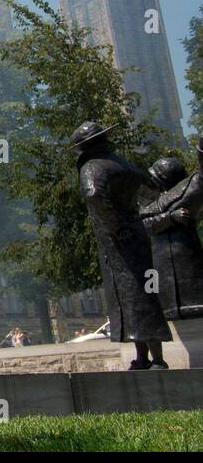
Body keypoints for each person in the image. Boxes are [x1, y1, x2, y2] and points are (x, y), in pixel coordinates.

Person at [72, 121, 171, 369]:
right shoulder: (122, 163)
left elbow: (93, 195)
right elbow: (152, 189)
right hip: (137, 233)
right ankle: (150, 357)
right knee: (146, 292)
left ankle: (148, 358)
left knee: (130, 295)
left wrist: (117, 226)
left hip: (117, 240)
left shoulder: (92, 167)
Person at [140, 145, 203, 320]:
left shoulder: (190, 191)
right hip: (159, 264)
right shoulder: (151, 203)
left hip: (185, 257)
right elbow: (144, 225)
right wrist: (170, 218)